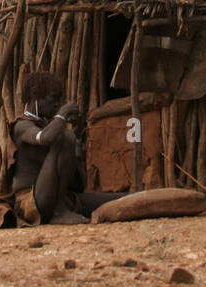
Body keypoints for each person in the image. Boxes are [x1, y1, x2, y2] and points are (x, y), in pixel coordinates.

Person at [9, 71, 122, 225]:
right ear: (36, 97)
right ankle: (59, 212)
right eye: (53, 99)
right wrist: (63, 114)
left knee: (118, 200)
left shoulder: (48, 127)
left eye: (60, 100)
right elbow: (46, 138)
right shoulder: (22, 126)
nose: (57, 104)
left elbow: (77, 184)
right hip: (32, 203)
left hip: (58, 198)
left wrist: (77, 139)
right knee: (66, 137)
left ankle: (62, 208)